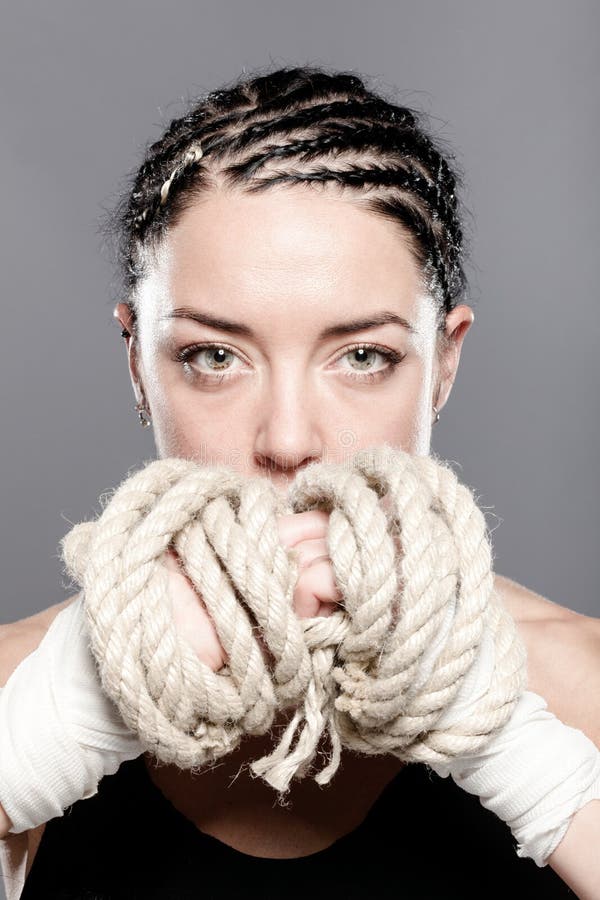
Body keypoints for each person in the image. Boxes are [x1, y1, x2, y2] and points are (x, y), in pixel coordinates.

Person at [0, 64, 599, 899]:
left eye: (362, 357)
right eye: (214, 356)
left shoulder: (586, 686)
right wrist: (38, 742)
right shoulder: (18, 692)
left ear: (442, 366)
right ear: (138, 364)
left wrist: (535, 768)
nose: (288, 442)